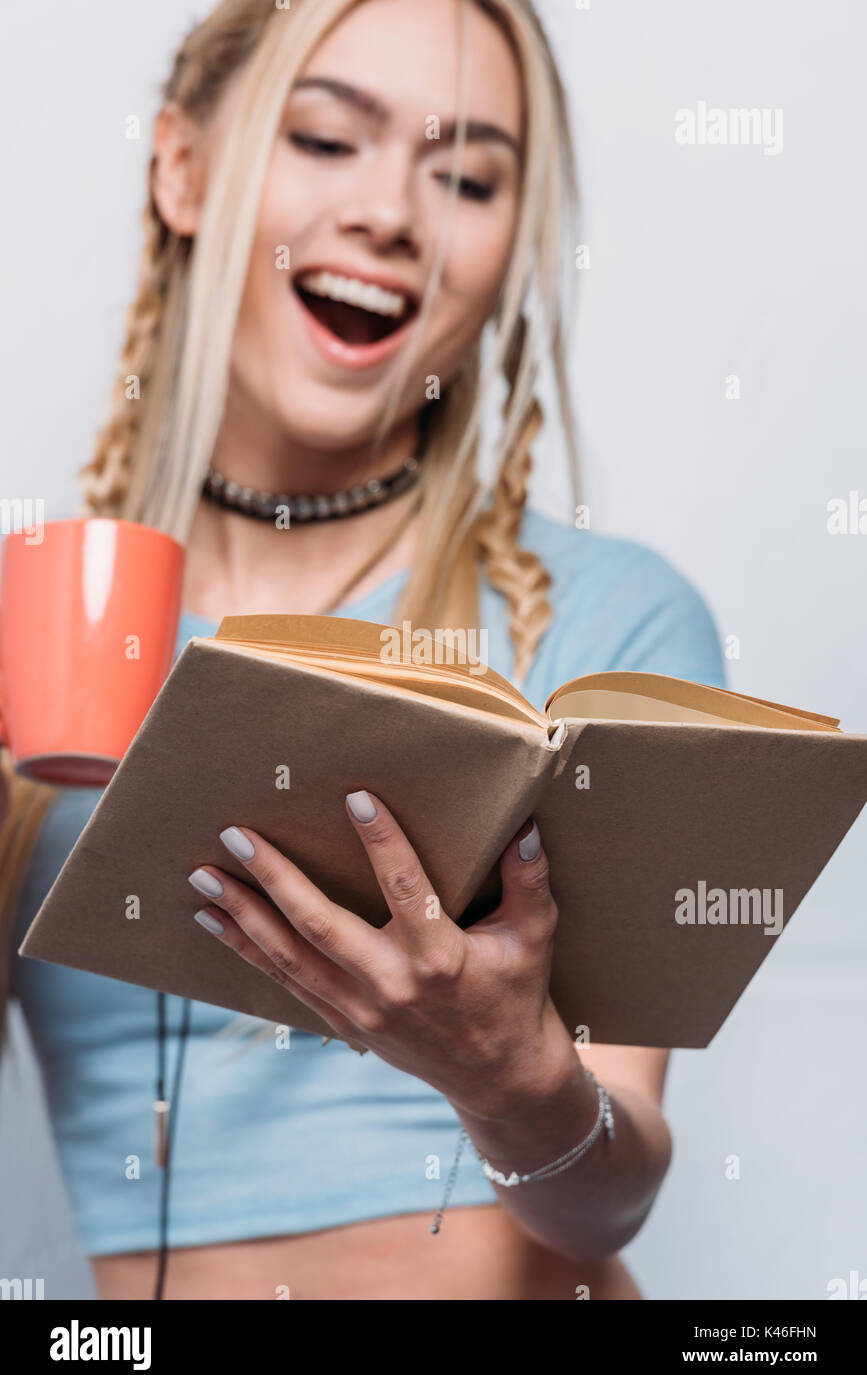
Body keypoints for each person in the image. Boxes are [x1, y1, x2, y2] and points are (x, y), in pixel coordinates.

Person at [2, 0, 724, 1300]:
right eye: (327, 138)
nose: (393, 211)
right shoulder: (36, 636)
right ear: (182, 171)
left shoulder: (612, 627)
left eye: (465, 175)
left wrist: (506, 1076)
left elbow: (615, 1195)